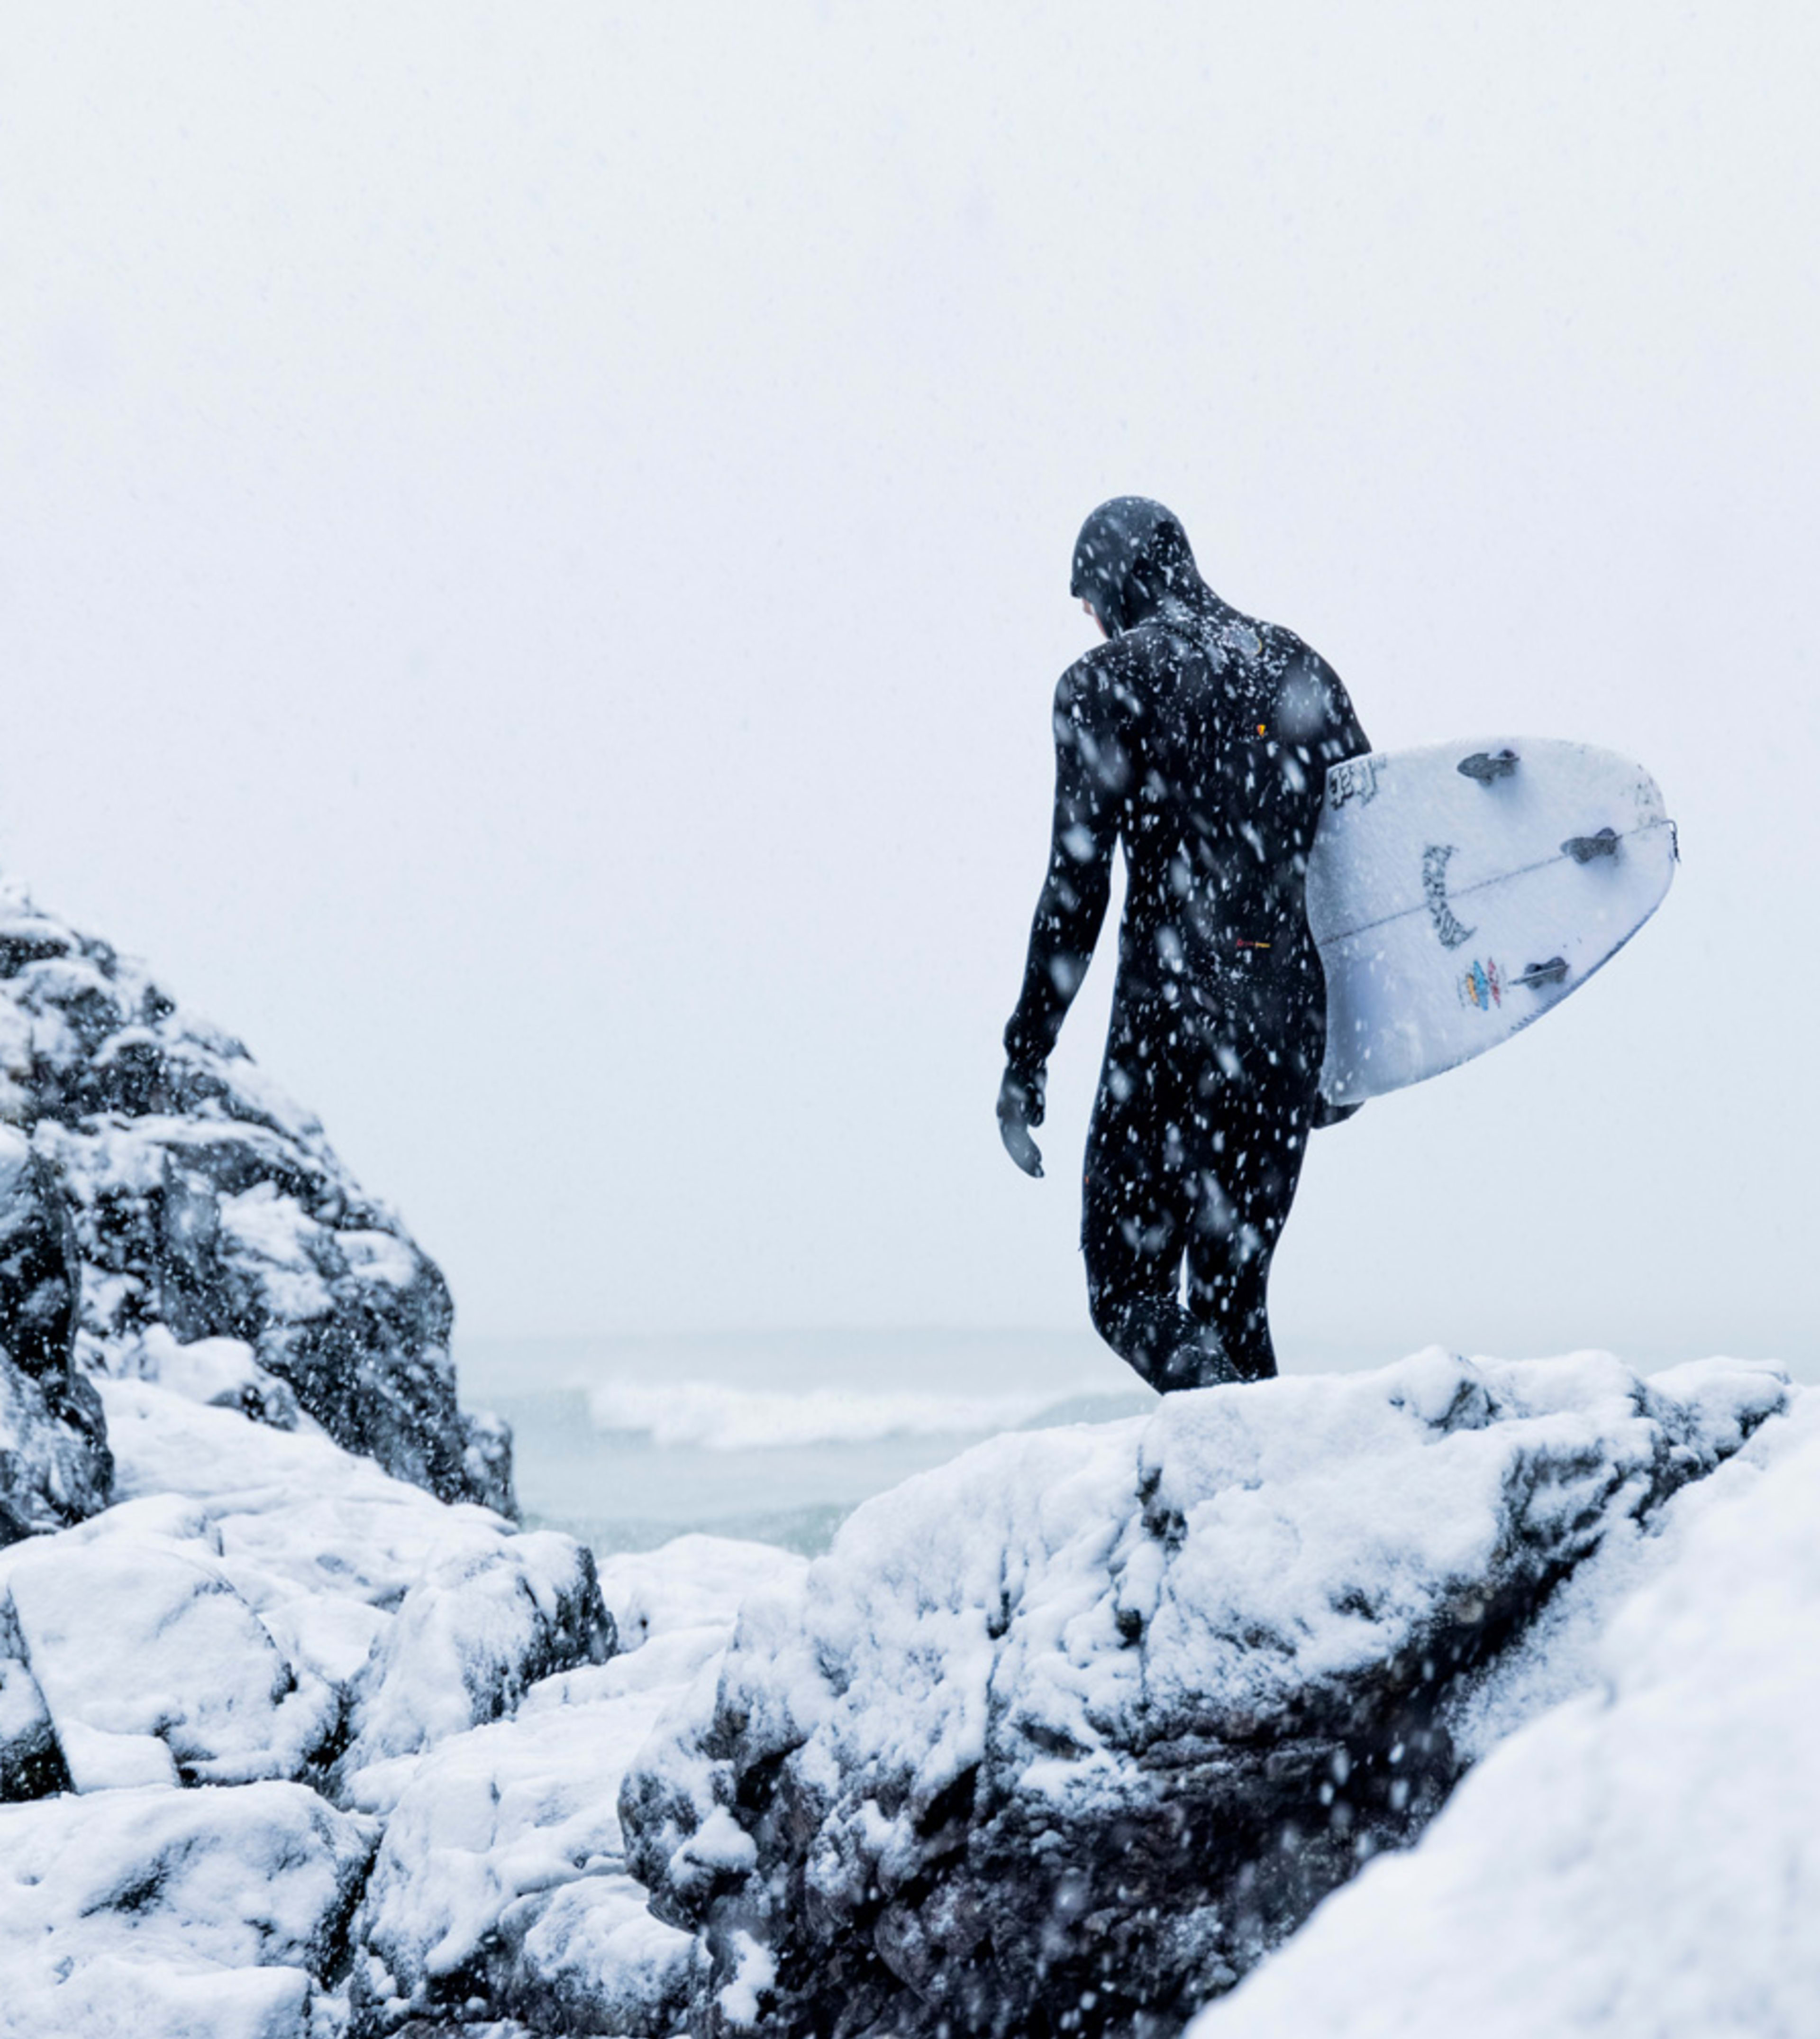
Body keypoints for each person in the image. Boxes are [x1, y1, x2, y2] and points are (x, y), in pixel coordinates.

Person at [997, 497, 1370, 1391]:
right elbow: (1368, 861)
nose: (1093, 624)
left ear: (1112, 582)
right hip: (1286, 1022)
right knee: (1234, 1301)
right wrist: (1350, 1049)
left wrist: (1027, 1050)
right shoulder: (1298, 666)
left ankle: (1226, 1463)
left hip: (1175, 1016)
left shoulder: (1106, 682)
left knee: (1126, 1288)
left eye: (1090, 603)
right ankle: (1264, 1511)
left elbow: (1076, 885)